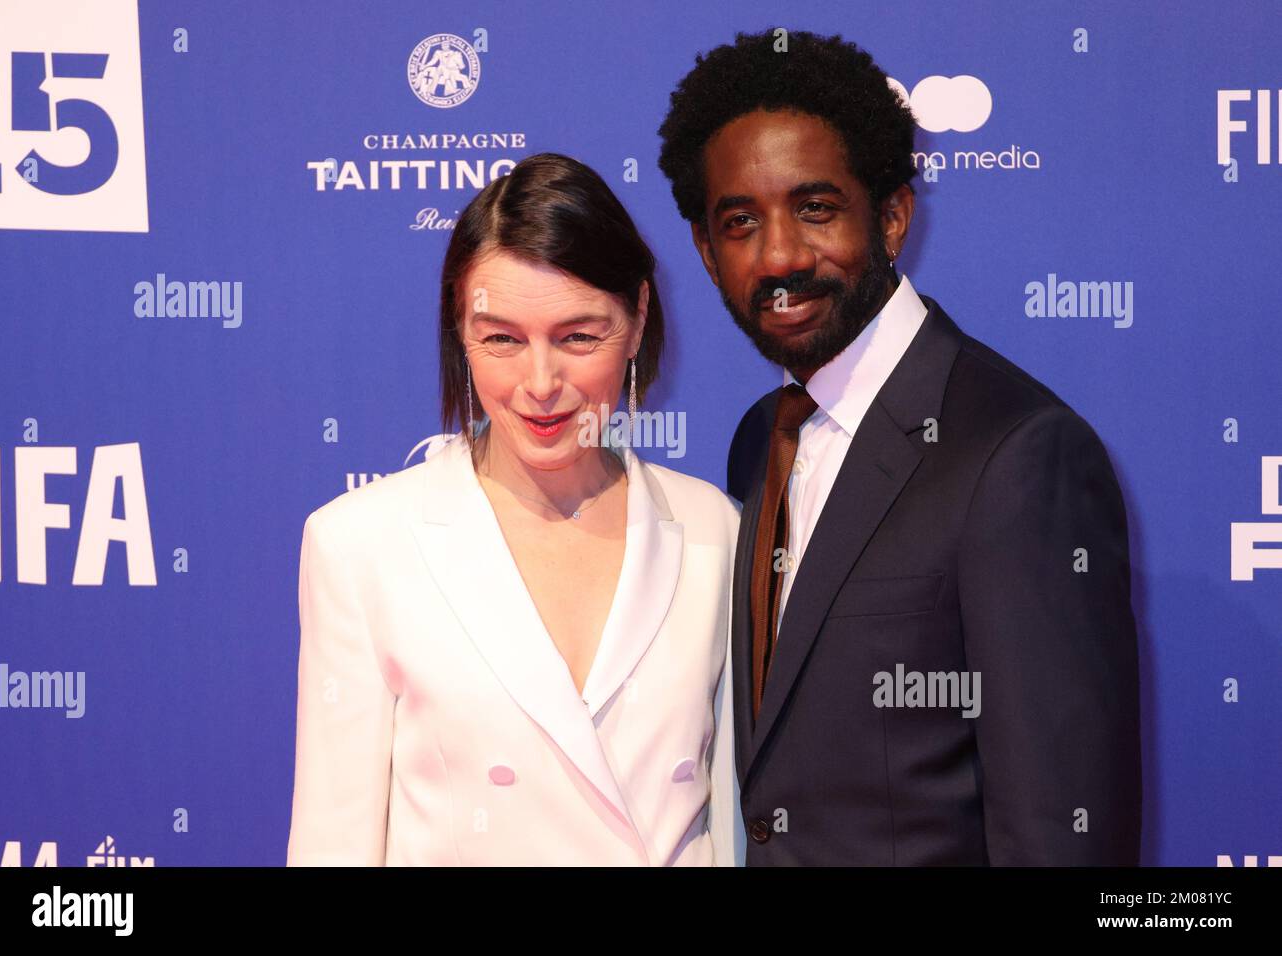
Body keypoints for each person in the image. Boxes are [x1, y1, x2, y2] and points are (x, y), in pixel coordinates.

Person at [657, 29, 1142, 865]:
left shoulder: (1019, 453)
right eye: (740, 221)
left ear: (891, 216)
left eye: (815, 208)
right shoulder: (758, 443)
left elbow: (1062, 836)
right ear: (705, 251)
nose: (779, 256)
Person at [286, 152, 742, 866]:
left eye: (578, 337)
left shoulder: (717, 530)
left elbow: (736, 826)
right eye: (501, 339)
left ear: (638, 315)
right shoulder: (360, 546)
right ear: (460, 336)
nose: (540, 384)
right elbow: (331, 845)